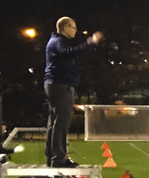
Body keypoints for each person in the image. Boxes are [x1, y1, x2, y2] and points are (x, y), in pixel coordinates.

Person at [44, 17, 104, 168]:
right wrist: (90, 42)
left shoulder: (55, 41)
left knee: (54, 122)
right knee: (61, 122)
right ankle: (59, 158)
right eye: (73, 27)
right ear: (65, 28)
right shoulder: (58, 41)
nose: (75, 30)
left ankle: (52, 156)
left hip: (54, 84)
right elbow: (70, 53)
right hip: (60, 84)